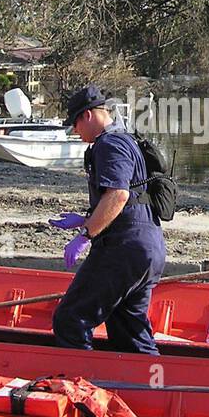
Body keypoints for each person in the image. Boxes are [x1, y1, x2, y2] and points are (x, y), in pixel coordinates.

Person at [48, 84, 167, 355]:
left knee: (70, 320)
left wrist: (85, 235)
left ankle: (80, 389)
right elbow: (132, 199)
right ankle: (152, 389)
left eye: (75, 125)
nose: (75, 132)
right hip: (148, 249)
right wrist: (85, 218)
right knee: (130, 334)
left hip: (122, 250)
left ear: (87, 116)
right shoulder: (126, 139)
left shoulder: (109, 144)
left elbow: (119, 195)